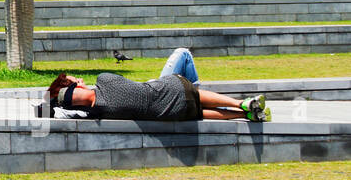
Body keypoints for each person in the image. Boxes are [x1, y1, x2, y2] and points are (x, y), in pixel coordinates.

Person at [48, 70, 269, 122]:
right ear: (75, 89)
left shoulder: (99, 113)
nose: (81, 80)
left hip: (168, 113)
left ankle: (245, 115)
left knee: (198, 112)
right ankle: (242, 103)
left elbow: (67, 110)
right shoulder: (105, 79)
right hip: (168, 89)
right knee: (193, 93)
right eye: (77, 81)